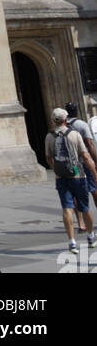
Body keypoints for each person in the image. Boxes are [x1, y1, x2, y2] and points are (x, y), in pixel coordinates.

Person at [45, 107, 97, 254]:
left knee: (67, 208)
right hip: (78, 174)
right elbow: (86, 157)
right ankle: (90, 236)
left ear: (53, 120)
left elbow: (48, 158)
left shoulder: (49, 137)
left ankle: (72, 241)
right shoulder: (74, 134)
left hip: (61, 177)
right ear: (65, 119)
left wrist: (56, 169)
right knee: (85, 207)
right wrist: (95, 173)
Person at [65, 101, 97, 226]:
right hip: (85, 163)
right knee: (94, 189)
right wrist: (95, 161)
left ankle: (81, 223)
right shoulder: (82, 125)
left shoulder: (63, 127)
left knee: (76, 192)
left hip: (73, 165)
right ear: (77, 111)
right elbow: (89, 144)